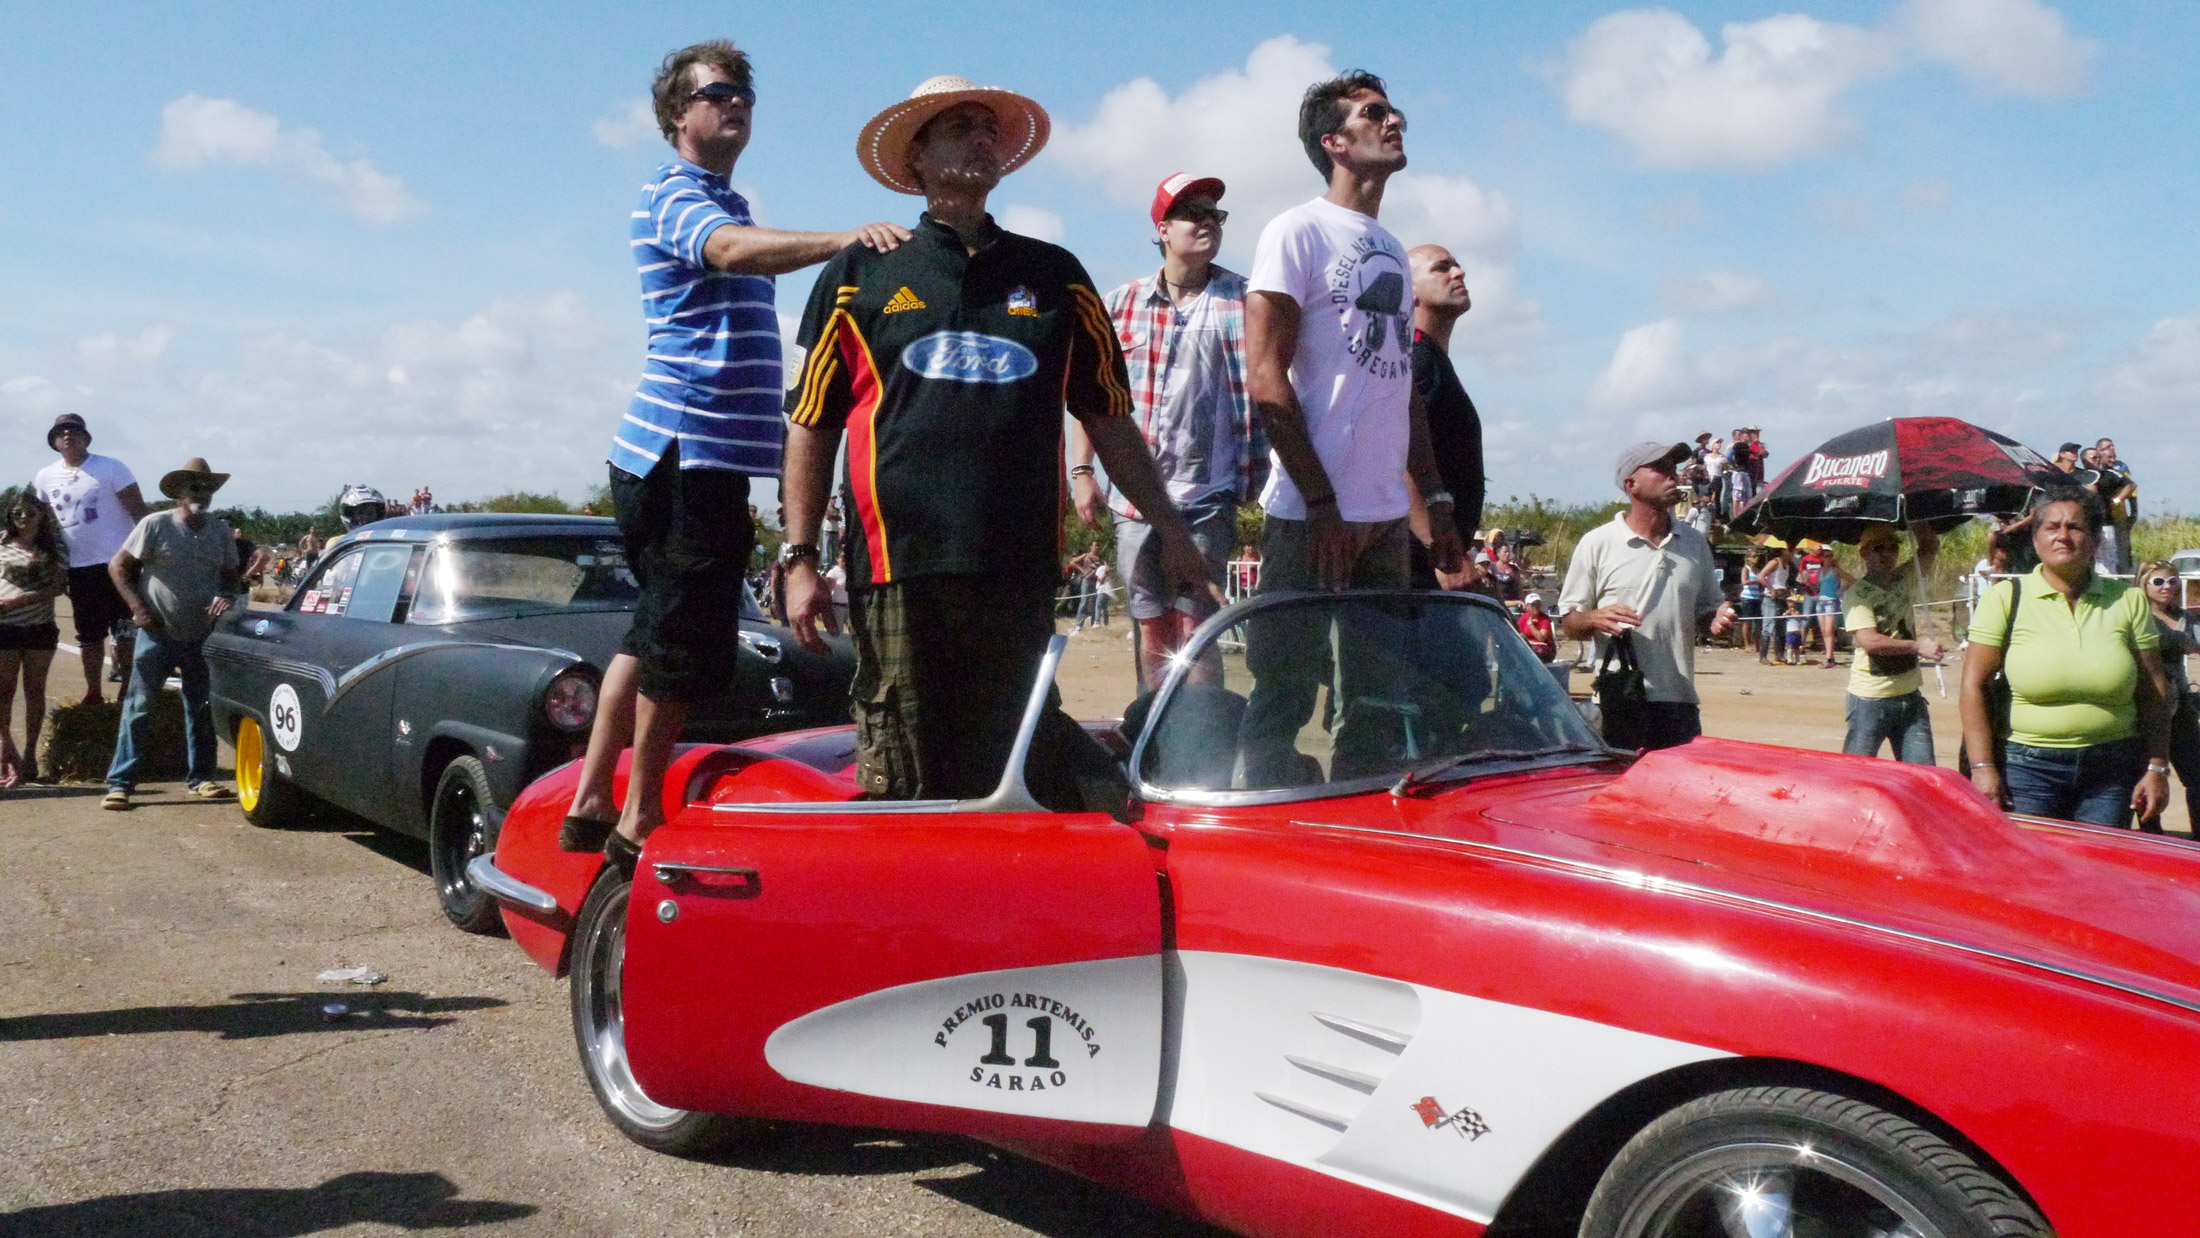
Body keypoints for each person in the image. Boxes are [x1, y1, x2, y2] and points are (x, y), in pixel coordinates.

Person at [780, 73, 1209, 807]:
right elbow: (811, 422)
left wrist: (1170, 529)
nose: (981, 139)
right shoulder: (861, 273)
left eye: (988, 128)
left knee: (1013, 755)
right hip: (896, 565)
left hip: (1016, 566)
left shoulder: (1055, 276)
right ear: (916, 159)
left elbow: (1107, 416)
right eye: (958, 128)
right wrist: (797, 559)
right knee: (903, 773)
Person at [560, 40, 913, 866]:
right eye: (718, 93)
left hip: (687, 454)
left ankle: (587, 797)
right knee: (682, 646)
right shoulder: (679, 194)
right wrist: (845, 240)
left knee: (652, 635)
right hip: (689, 451)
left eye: (745, 93)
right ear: (678, 116)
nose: (737, 103)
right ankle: (638, 814)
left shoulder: (727, 196)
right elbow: (725, 251)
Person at [1234, 70, 1467, 783]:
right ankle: (1255, 847)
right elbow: (1265, 376)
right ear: (1334, 142)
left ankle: (1355, 843)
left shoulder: (1392, 249)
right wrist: (1322, 502)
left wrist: (1437, 505)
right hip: (1311, 517)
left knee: (1375, 703)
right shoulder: (1296, 231)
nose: (1393, 121)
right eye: (1374, 113)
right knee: (1283, 693)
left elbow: (1399, 388)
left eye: (1394, 110)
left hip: (1385, 519)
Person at [1067, 172, 1261, 692]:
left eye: (1215, 215)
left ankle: (1201, 734)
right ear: (1162, 228)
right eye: (1193, 214)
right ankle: (1152, 729)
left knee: (1198, 625)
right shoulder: (1119, 303)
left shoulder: (1248, 300)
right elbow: (1089, 396)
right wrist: (1083, 471)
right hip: (1134, 500)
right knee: (1150, 626)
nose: (1207, 223)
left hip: (1209, 494)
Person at [1961, 487, 2171, 828]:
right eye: (2052, 527)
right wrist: (1982, 768)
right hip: (2027, 771)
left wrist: (2157, 766)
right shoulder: (2005, 599)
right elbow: (1973, 685)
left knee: (2098, 870)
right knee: (2032, 874)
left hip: (2112, 772)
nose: (2063, 536)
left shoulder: (2128, 600)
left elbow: (2155, 689)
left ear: (2094, 540)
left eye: (2075, 527)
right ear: (2035, 538)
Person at [1558, 443, 1736, 750]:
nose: (1673, 476)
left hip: (1679, 703)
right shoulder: (1597, 543)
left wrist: (1716, 619)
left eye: (1673, 468)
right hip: (1618, 701)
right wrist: (1593, 617)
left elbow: (1706, 613)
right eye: (1661, 469)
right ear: (1631, 485)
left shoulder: (1693, 543)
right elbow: (1570, 623)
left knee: (1675, 796)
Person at [102, 459, 244, 810]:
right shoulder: (155, 525)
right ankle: (120, 783)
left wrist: (226, 596)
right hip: (157, 632)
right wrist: (138, 608)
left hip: (201, 635)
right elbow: (118, 566)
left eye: (207, 489)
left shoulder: (220, 531)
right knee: (139, 706)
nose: (202, 495)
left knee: (201, 707)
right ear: (180, 492)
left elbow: (231, 576)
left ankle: (202, 779)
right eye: (194, 488)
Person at [33, 413, 150, 703]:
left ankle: (126, 689)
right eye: (61, 432)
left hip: (119, 565)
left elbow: (140, 513)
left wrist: (150, 552)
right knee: (89, 634)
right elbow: (40, 521)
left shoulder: (111, 468)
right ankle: (93, 692)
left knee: (125, 630)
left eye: (74, 431)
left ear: (86, 438)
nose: (68, 436)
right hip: (78, 568)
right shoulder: (45, 476)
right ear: (55, 442)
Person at [1405, 243, 1486, 590]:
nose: (1459, 272)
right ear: (1409, 291)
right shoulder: (1418, 357)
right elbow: (1397, 455)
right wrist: (1444, 554)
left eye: (1457, 264)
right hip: (1422, 566)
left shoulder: (1431, 358)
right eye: (1442, 267)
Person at [1842, 524, 1944, 763]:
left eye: (1893, 547)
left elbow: (1930, 547)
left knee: (1923, 774)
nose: (1887, 553)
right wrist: (1918, 646)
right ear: (1864, 553)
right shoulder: (1858, 594)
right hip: (1871, 698)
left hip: (1909, 696)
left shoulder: (1903, 578)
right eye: (1879, 548)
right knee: (1856, 772)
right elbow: (1869, 641)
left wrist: (1913, 518)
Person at [0, 489, 69, 786]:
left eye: (30, 512)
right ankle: (6, 753)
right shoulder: (1, 542)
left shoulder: (55, 548)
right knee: (3, 692)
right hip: (5, 628)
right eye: (17, 513)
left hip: (39, 627)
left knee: (34, 691)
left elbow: (56, 587)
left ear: (42, 514)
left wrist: (19, 602)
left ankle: (29, 754)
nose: (23, 518)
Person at [2137, 560, 2200, 832]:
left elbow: (2194, 645)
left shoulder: (2187, 618)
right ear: (2143, 584)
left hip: (2182, 704)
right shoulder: (2138, 616)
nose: (2167, 588)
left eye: (2173, 581)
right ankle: (2152, 837)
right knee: (2146, 775)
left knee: (2196, 774)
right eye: (2159, 582)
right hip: (2145, 704)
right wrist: (2178, 642)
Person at [2093, 438, 2136, 576]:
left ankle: (2122, 578)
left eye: (2113, 446)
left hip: (2118, 516)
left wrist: (2133, 512)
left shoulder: (2119, 468)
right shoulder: (2093, 472)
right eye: (2108, 447)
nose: (2112, 449)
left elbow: (2132, 489)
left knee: (2120, 552)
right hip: (2102, 518)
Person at [1757, 545, 1791, 665]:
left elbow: (1783, 582)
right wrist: (1771, 588)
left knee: (1781, 628)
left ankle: (1780, 654)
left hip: (1782, 598)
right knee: (1768, 626)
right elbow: (1761, 576)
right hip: (1771, 598)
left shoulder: (1787, 565)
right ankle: (1763, 656)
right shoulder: (1775, 562)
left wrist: (1787, 590)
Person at [1738, 550, 1767, 657]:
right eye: (1754, 556)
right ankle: (1747, 644)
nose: (1756, 558)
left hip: (1757, 597)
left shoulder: (1757, 570)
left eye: (1757, 556)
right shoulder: (1746, 569)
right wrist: (1757, 581)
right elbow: (1744, 582)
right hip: (1747, 597)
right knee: (1747, 622)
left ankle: (1756, 644)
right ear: (1748, 558)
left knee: (1758, 622)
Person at [1516, 592, 1556, 662]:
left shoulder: (1545, 619)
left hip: (1545, 650)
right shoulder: (1523, 618)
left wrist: (1531, 626)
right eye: (1533, 604)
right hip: (1530, 647)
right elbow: (1519, 635)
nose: (1536, 607)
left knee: (1538, 651)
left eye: (1539, 604)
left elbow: (1542, 639)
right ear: (1527, 606)